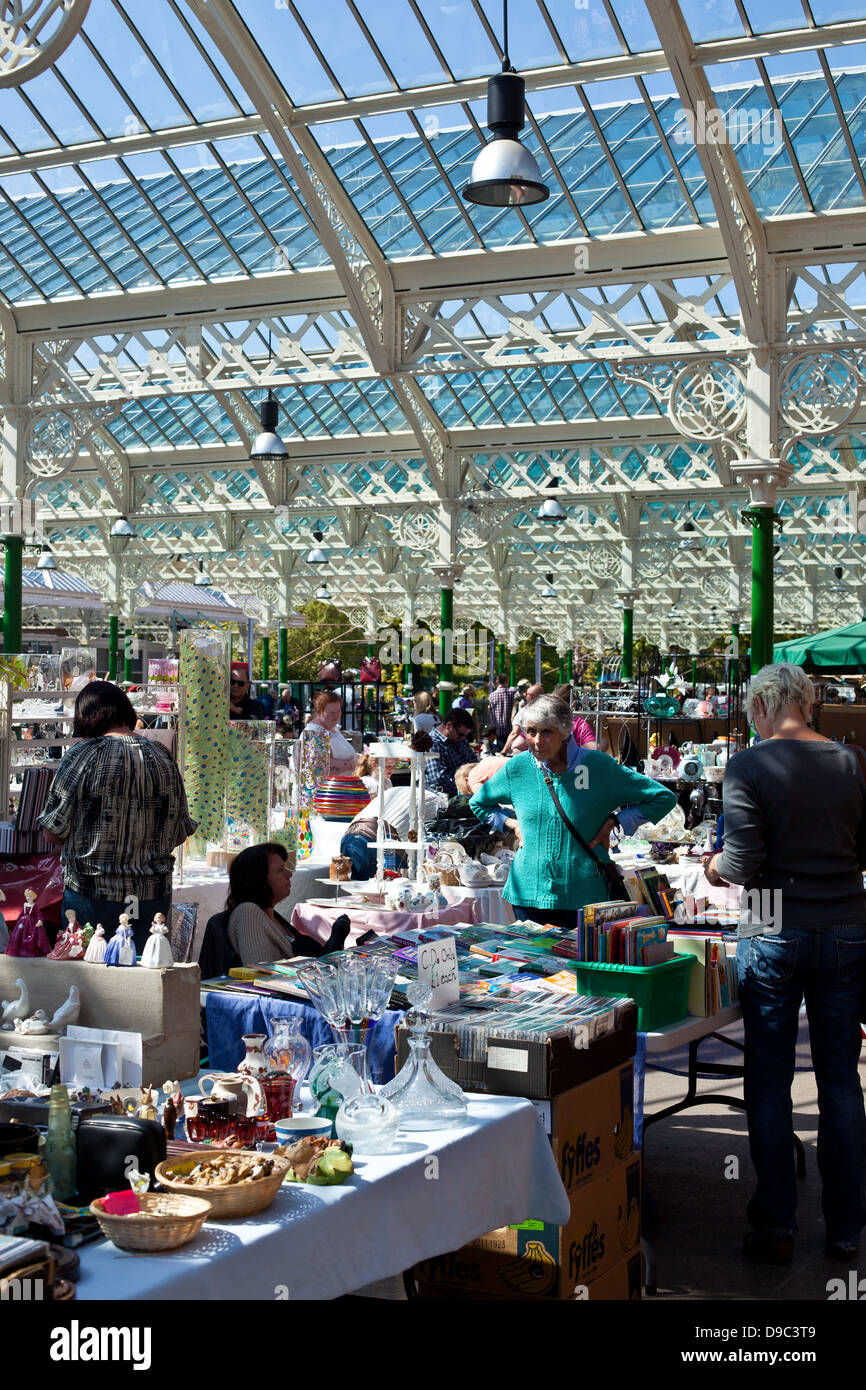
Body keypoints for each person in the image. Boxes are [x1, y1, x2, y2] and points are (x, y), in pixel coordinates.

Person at [704, 663, 866, 1264]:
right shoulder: (851, 761)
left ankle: (776, 1225)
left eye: (752, 710)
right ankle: (847, 1227)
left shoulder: (751, 764)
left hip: (773, 917)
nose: (752, 720)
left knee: (770, 1082)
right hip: (846, 919)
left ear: (767, 704)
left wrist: (714, 866)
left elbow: (743, 862)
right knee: (841, 1082)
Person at [469, 694, 676, 929]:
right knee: (532, 963)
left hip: (586, 898)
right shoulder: (518, 767)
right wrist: (512, 824)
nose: (537, 740)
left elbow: (663, 797)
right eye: (531, 731)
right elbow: (479, 802)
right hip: (527, 894)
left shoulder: (598, 767)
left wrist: (616, 822)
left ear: (565, 732)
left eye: (547, 732)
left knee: (579, 965)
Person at [36, 681, 196, 953]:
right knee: (144, 985)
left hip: (91, 893)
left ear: (86, 717)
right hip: (151, 897)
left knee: (88, 986)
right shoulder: (162, 757)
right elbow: (180, 833)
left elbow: (53, 831)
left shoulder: (81, 756)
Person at [225, 842, 350, 966]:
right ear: (258, 878)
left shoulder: (273, 917)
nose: (289, 874)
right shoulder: (248, 913)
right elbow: (262, 973)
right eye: (280, 870)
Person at [425, 710, 477, 798]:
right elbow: (439, 779)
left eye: (465, 735)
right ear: (449, 726)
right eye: (460, 734)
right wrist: (468, 786)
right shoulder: (432, 744)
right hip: (444, 798)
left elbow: (474, 763)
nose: (463, 738)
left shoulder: (461, 740)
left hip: (468, 791)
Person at [305, 690, 357, 775]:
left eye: (338, 711)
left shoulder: (332, 728)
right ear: (320, 712)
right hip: (326, 787)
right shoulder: (314, 733)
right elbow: (318, 767)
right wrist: (350, 765)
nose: (336, 716)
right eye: (331, 713)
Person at [502, 683, 543, 755]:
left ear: (531, 696)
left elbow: (514, 733)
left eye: (526, 694)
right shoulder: (551, 710)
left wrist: (503, 752)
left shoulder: (524, 712)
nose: (525, 696)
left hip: (532, 751)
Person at [554, 682, 597, 749]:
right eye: (575, 699)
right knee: (603, 742)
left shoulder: (544, 719)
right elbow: (594, 747)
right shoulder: (578, 723)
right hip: (571, 758)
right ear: (571, 702)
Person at [488, 673, 515, 750]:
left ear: (497, 681)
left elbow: (491, 713)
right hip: (511, 728)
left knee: (500, 751)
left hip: (497, 729)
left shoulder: (491, 695)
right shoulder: (512, 692)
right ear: (507, 681)